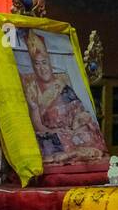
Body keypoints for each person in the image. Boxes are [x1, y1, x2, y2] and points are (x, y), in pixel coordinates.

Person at [20, 31, 106, 164]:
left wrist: (80, 120)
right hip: (50, 133)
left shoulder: (61, 85)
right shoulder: (32, 89)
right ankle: (69, 155)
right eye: (37, 64)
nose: (42, 68)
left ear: (49, 63)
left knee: (88, 131)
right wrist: (51, 130)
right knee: (48, 140)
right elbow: (37, 125)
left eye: (44, 62)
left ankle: (73, 153)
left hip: (72, 130)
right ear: (33, 66)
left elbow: (78, 109)